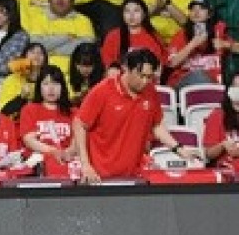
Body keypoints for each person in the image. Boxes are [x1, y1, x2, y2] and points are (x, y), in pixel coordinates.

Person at [74, 49, 188, 183]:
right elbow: (79, 124)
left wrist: (178, 148)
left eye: (149, 77)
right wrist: (86, 165)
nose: (145, 81)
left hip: (134, 176)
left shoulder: (151, 92)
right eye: (141, 75)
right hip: (100, 177)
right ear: (126, 69)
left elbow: (156, 125)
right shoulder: (103, 91)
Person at [20, 65, 82, 179]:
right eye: (46, 84)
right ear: (39, 87)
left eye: (55, 83)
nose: (51, 88)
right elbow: (29, 140)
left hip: (68, 158)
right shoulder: (29, 109)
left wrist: (69, 152)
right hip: (40, 160)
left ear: (62, 87)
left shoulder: (74, 112)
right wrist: (53, 151)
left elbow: (78, 139)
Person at [28, 0, 96, 77]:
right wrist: (67, 37)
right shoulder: (39, 19)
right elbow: (37, 47)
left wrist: (51, 49)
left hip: (76, 75)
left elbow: (86, 49)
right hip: (44, 76)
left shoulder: (83, 20)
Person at [166, 0, 230, 88]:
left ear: (209, 14)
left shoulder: (218, 31)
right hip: (184, 83)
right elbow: (172, 63)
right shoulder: (181, 34)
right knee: (199, 75)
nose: (196, 12)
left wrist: (225, 44)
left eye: (202, 9)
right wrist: (192, 44)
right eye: (193, 9)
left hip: (212, 85)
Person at [100, 0, 166, 71]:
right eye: (127, 11)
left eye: (136, 11)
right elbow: (108, 63)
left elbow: (160, 64)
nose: (131, 15)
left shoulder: (153, 36)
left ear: (144, 14)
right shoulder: (112, 36)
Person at [202, 75, 239, 170]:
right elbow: (208, 154)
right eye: (235, 88)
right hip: (226, 174)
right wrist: (223, 145)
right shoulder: (217, 115)